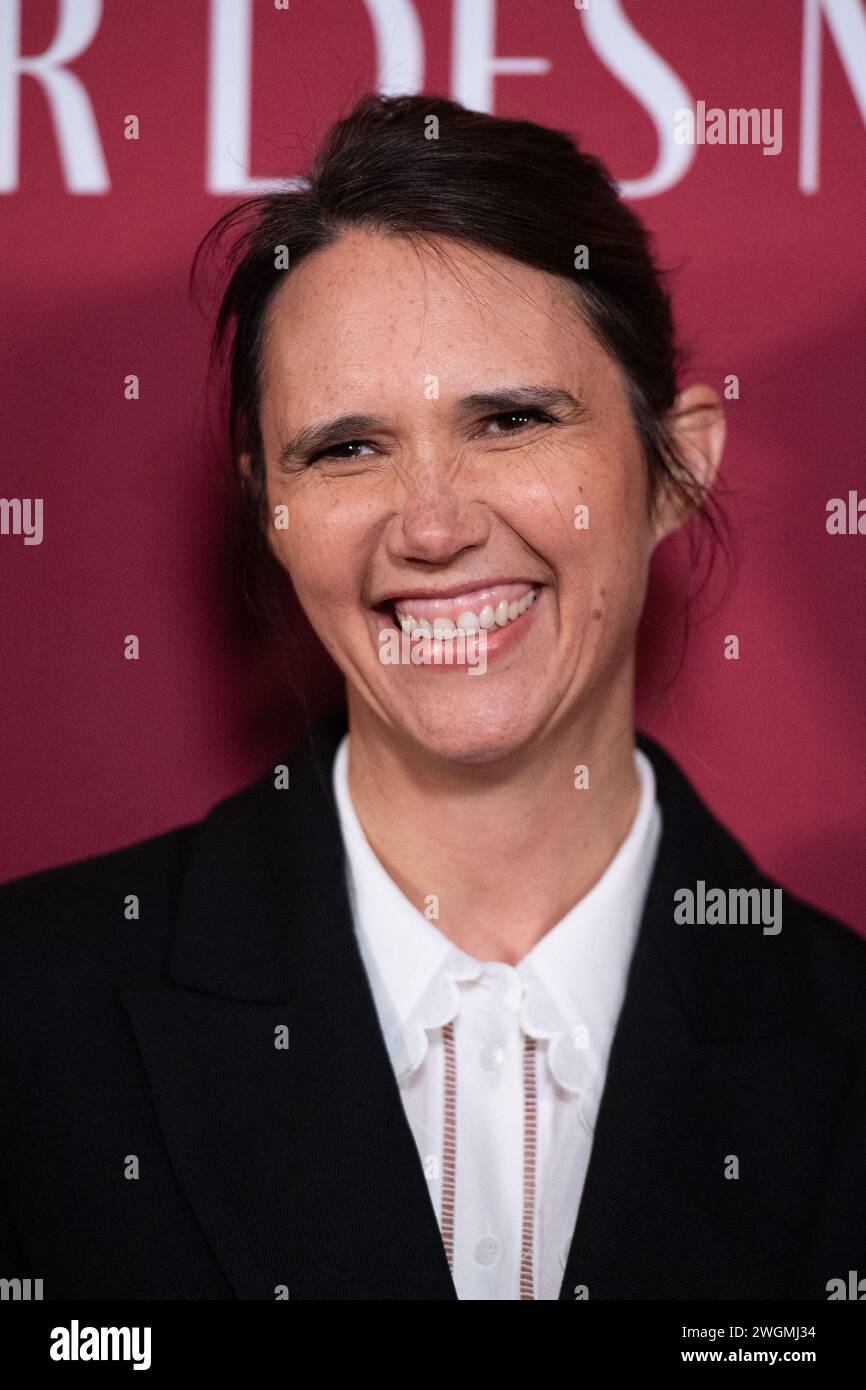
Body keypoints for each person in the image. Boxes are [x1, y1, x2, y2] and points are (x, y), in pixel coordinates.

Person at [1, 94, 864, 1302]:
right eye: (346, 449)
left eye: (510, 420)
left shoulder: (841, 1039)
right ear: (271, 510)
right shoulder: (30, 1018)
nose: (434, 524)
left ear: (678, 466)